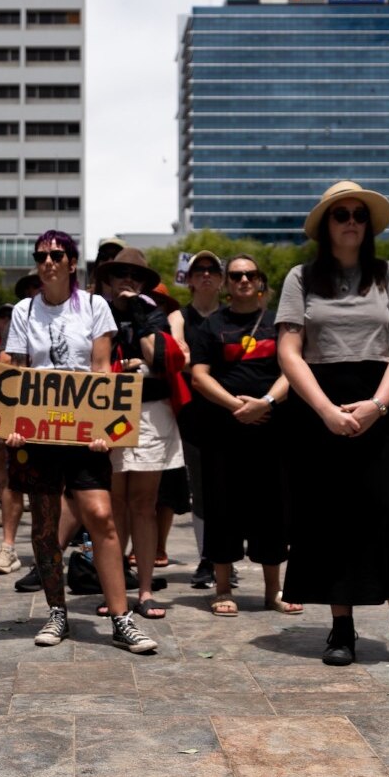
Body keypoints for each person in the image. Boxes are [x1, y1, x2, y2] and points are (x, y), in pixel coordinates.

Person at [277, 183, 389, 670]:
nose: (350, 221)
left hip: (378, 402)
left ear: (367, 225)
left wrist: (378, 405)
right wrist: (325, 410)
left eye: (358, 215)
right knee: (330, 517)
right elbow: (288, 349)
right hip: (318, 405)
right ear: (326, 225)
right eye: (340, 214)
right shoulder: (301, 278)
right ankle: (341, 628)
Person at [1, 230, 158, 654]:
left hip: (83, 432)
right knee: (46, 527)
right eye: (41, 255)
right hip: (37, 434)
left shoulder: (95, 306)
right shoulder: (23, 311)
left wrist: (106, 427)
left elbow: (103, 369)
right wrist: (12, 423)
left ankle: (121, 617)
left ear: (72, 262)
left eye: (57, 255)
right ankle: (57, 612)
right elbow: (14, 370)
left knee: (101, 515)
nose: (48, 261)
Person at [187, 254, 296, 617]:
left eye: (251, 274)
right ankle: (221, 589)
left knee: (272, 509)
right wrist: (237, 406)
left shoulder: (278, 323)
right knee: (222, 508)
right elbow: (199, 376)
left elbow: (292, 370)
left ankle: (273, 591)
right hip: (223, 433)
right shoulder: (211, 326)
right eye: (236, 276)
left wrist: (264, 403)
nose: (244, 280)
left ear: (261, 281)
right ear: (226, 283)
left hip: (271, 431)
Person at [97, 247, 184, 621]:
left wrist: (140, 312)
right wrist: (128, 364)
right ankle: (115, 590)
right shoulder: (96, 315)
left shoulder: (154, 314)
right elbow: (98, 365)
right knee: (113, 507)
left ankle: (146, 591)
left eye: (134, 276)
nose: (127, 282)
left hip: (151, 415)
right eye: (120, 276)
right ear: (108, 281)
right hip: (109, 415)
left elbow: (160, 359)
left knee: (144, 506)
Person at [177, 250, 226, 588]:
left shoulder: (233, 315)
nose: (206, 274)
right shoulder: (180, 316)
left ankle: (227, 557)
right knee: (201, 488)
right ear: (190, 279)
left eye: (213, 270)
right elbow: (181, 357)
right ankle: (207, 559)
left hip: (233, 411)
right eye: (199, 270)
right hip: (194, 412)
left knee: (230, 487)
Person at [0, 302, 28, 577]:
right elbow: (6, 364)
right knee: (14, 477)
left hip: (58, 416)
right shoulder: (23, 317)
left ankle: (53, 550)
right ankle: (8, 547)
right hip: (19, 411)